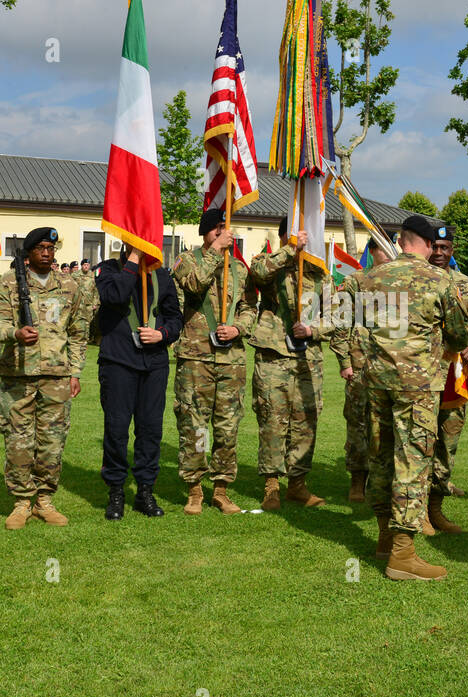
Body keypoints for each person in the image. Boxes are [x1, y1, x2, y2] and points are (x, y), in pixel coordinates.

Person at [361, 214, 468, 580]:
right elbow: (458, 332)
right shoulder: (439, 279)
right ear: (424, 243)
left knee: (379, 457)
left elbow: (354, 324)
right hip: (417, 386)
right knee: (412, 461)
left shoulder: (372, 277)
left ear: (400, 240)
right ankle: (403, 554)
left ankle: (383, 538)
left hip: (376, 382)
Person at [0, 226, 90, 529]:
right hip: (19, 375)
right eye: (40, 248)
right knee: (19, 442)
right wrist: (15, 332)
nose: (47, 254)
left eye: (51, 248)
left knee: (52, 442)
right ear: (29, 253)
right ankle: (21, 503)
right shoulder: (9, 284)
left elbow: (78, 332)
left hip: (56, 375)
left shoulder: (70, 286)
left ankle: (44, 501)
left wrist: (74, 371)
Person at [170, 207, 257, 515]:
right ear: (205, 232)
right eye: (216, 228)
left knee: (227, 427)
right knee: (194, 426)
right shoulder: (187, 260)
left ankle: (221, 489)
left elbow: (249, 308)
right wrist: (215, 252)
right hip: (196, 358)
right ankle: (194, 489)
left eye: (225, 228)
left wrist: (239, 328)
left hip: (231, 360)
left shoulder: (239, 269)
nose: (223, 233)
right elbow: (193, 285)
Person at [244, 219, 332, 510]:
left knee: (306, 421)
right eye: (296, 236)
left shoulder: (320, 273)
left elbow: (337, 317)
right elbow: (257, 274)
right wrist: (290, 250)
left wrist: (313, 331)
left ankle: (297, 484)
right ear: (285, 237)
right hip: (274, 355)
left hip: (308, 358)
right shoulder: (269, 261)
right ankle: (272, 485)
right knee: (272, 419)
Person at [95, 246, 182, 519]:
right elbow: (116, 295)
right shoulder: (108, 269)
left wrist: (162, 334)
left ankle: (145, 489)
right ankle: (116, 491)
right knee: (117, 430)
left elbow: (175, 317)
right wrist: (133, 258)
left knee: (150, 431)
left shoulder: (162, 275)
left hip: (154, 364)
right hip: (119, 361)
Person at [426, 225, 468, 534]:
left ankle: (435, 507)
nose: (439, 253)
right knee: (418, 442)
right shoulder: (416, 280)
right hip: (420, 377)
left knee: (446, 442)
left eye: (445, 247)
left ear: (452, 250)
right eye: (434, 246)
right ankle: (415, 514)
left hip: (454, 377)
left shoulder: (467, 285)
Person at [328, 239, 392, 502]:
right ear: (372, 252)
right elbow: (342, 321)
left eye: (391, 250)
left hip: (390, 365)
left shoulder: (399, 280)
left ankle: (383, 481)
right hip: (360, 364)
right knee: (357, 422)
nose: (387, 255)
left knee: (385, 425)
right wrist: (344, 362)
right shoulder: (355, 280)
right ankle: (357, 479)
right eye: (382, 250)